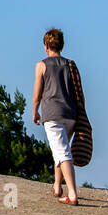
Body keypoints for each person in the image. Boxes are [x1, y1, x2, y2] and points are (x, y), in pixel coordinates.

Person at [33, 27, 79, 205]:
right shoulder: (70, 64)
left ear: (46, 46)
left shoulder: (41, 65)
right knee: (60, 150)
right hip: (71, 113)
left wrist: (35, 111)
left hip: (52, 114)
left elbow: (37, 93)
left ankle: (73, 194)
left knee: (62, 152)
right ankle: (57, 186)